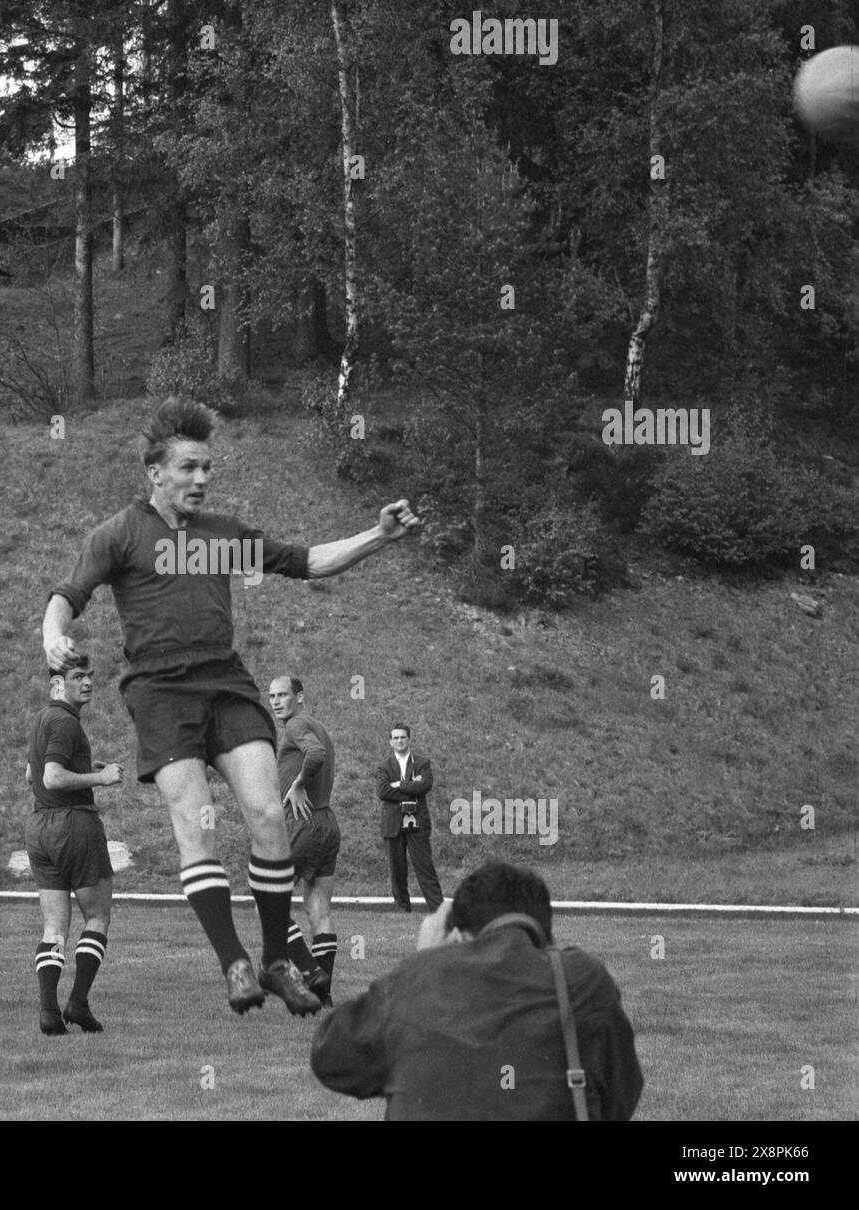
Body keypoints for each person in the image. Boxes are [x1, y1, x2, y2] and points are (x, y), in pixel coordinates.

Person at [42, 396, 422, 1016]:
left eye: (207, 468)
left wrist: (378, 535)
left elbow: (308, 562)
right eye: (188, 467)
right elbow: (68, 596)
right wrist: (53, 636)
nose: (200, 479)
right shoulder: (119, 535)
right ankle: (234, 964)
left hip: (227, 685)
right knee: (198, 824)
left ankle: (275, 960)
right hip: (160, 693)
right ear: (155, 472)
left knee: (269, 815)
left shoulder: (224, 537)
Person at [310, 861, 644, 1120]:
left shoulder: (421, 976)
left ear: (456, 936)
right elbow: (619, 1097)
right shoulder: (583, 979)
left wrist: (425, 959)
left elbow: (332, 1057)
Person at [25, 654, 124, 1035]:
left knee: (54, 923)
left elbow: (30, 772)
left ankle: (49, 1013)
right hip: (75, 825)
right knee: (97, 916)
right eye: (78, 676)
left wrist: (84, 766)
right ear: (57, 685)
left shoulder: (41, 719)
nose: (87, 682)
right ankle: (79, 1002)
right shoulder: (66, 722)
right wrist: (102, 779)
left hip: (38, 828)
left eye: (90, 676)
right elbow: (51, 776)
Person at [268, 675, 338, 1008]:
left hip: (303, 824)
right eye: (272, 695)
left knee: (271, 899)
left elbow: (316, 754)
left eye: (283, 694)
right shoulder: (316, 724)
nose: (276, 701)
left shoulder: (296, 725)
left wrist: (296, 785)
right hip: (326, 822)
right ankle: (322, 996)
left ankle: (310, 972)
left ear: (300, 696)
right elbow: (319, 750)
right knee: (319, 909)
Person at [374, 723, 442, 912]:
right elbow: (383, 791)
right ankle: (403, 909)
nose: (399, 741)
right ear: (390, 742)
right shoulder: (384, 766)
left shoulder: (422, 762)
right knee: (397, 869)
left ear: (409, 739)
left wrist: (399, 785)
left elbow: (425, 785)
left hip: (418, 822)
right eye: (395, 738)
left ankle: (438, 910)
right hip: (393, 823)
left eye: (402, 737)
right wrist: (412, 787)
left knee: (425, 867)